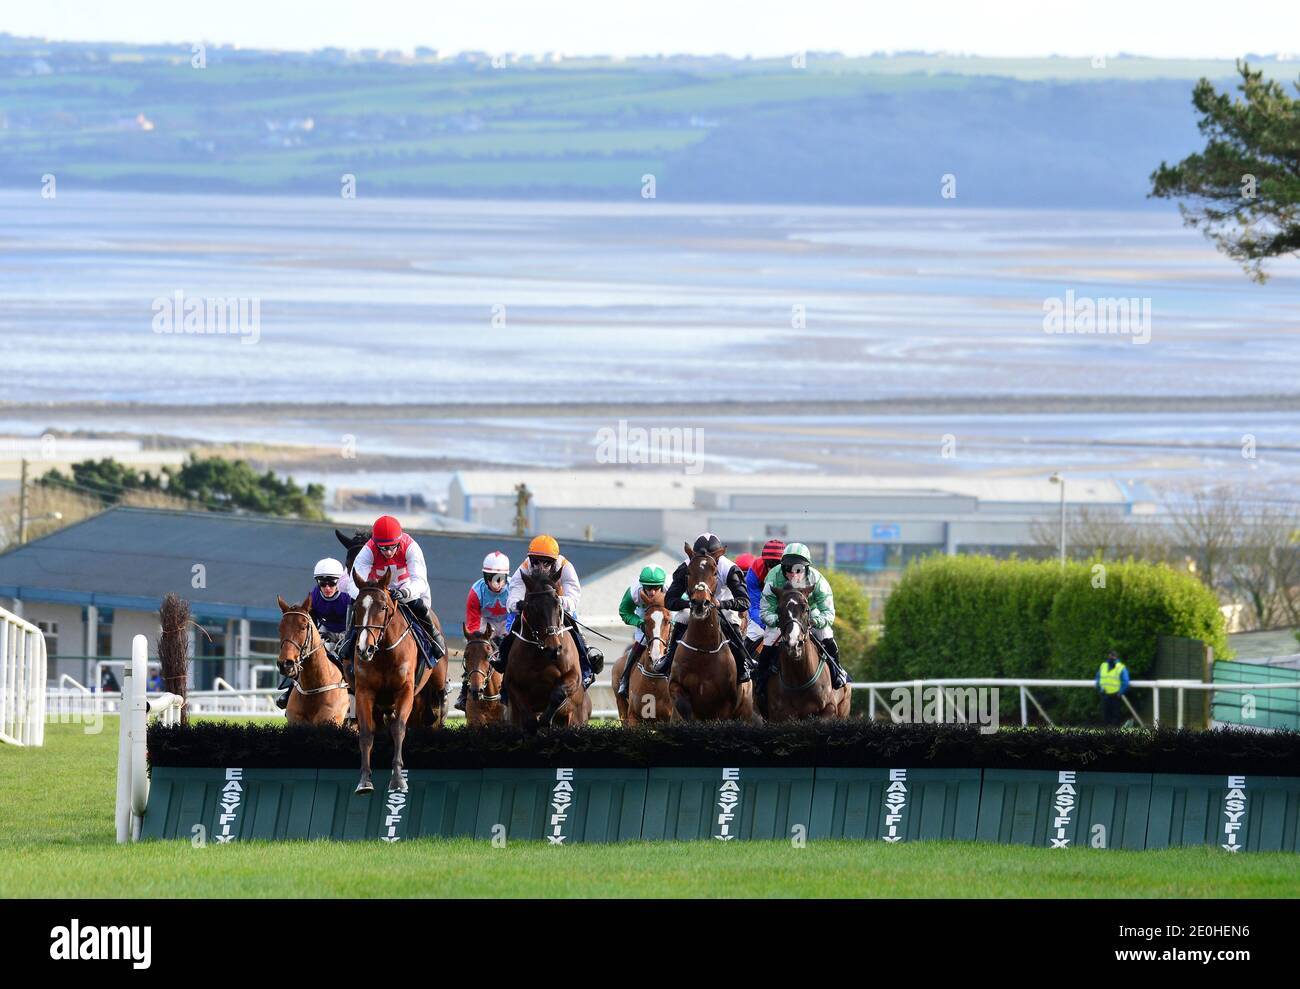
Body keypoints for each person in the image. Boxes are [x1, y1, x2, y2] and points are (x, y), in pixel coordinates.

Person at [491, 534, 604, 690]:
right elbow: (513, 596)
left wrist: (560, 602)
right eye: (536, 562)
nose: (541, 568)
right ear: (530, 560)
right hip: (533, 608)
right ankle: (503, 662)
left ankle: (586, 669)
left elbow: (574, 597)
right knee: (513, 628)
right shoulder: (524, 568)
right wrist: (519, 604)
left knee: (575, 629)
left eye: (546, 563)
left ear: (554, 562)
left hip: (558, 607)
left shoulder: (565, 566)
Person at [756, 543, 850, 705]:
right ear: (782, 566)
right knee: (769, 641)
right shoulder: (772, 577)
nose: (793, 573)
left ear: (806, 568)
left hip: (809, 614)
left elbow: (828, 613)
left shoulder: (817, 579)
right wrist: (781, 621)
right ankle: (761, 680)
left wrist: (813, 621)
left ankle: (837, 673)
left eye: (798, 569)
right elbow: (765, 611)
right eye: (788, 568)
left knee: (827, 636)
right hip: (784, 616)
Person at [347, 515, 446, 666]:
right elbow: (353, 582)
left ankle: (434, 637)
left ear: (399, 541)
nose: (388, 552)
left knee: (419, 606)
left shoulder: (411, 547)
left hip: (405, 588)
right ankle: (348, 639)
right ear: (375, 543)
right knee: (358, 606)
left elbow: (420, 581)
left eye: (392, 547)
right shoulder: (368, 549)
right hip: (378, 592)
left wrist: (405, 592)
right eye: (383, 548)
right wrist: (367, 594)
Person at [653, 533, 750, 685]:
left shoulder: (730, 569)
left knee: (731, 621)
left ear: (717, 558)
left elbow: (744, 601)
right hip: (694, 605)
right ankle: (669, 661)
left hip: (721, 604)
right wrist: (689, 604)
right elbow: (670, 600)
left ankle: (743, 664)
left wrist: (722, 605)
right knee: (681, 618)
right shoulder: (686, 567)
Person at [276, 557, 355, 710]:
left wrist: (340, 637)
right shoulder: (314, 597)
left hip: (348, 632)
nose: (327, 587)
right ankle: (289, 691)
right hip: (325, 631)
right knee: (306, 658)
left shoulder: (348, 596)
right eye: (322, 583)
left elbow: (353, 622)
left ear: (340, 581)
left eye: (332, 583)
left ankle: (357, 697)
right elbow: (310, 622)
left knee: (353, 663)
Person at [454, 551, 511, 711]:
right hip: (484, 626)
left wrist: (506, 638)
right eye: (491, 577)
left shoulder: (514, 588)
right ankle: (464, 692)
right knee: (475, 652)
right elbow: (472, 625)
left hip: (508, 623)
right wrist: (486, 641)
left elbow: (516, 617)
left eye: (499, 578)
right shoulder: (476, 591)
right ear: (485, 576)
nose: (495, 583)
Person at [614, 565, 668, 699]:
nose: (652, 592)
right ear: (642, 585)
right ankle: (625, 680)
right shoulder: (634, 591)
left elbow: (684, 607)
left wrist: (671, 623)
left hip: (667, 619)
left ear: (662, 585)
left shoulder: (671, 588)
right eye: (648, 587)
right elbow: (624, 612)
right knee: (641, 642)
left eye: (656, 588)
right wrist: (639, 622)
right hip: (644, 618)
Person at [743, 539, 785, 659]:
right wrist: (767, 623)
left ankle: (837, 671)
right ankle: (743, 668)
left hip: (785, 613)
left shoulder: (792, 573)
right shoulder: (754, 571)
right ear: (763, 561)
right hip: (762, 611)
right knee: (753, 634)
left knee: (822, 636)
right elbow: (754, 606)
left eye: (776, 564)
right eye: (769, 563)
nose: (771, 568)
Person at [1096, 649, 1130, 727]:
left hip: (1115, 695)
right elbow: (1098, 678)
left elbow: (1125, 681)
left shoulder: (1121, 667)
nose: (1111, 657)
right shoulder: (1103, 665)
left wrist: (1120, 692)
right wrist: (1099, 688)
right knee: (1105, 716)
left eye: (1112, 656)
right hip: (1104, 693)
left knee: (1115, 717)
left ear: (1116, 657)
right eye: (1110, 655)